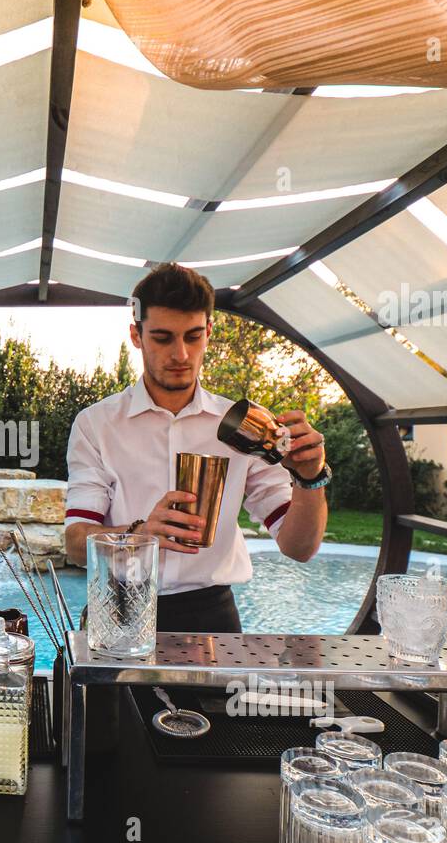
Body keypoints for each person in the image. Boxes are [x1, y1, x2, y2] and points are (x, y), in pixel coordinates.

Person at [64, 263, 331, 634]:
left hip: (212, 617)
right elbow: (76, 544)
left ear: (208, 332)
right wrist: (140, 534)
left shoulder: (247, 424)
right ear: (136, 336)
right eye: (162, 338)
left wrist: (310, 478)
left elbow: (298, 547)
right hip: (119, 610)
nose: (181, 354)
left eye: (192, 337)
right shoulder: (97, 424)